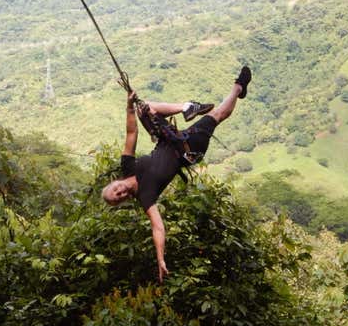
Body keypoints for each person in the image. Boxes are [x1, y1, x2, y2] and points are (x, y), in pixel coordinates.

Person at [101, 66, 251, 282]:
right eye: (118, 197)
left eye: (115, 189)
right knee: (217, 115)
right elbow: (158, 227)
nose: (120, 192)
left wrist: (129, 107)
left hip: (168, 138)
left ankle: (188, 107)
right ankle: (238, 87)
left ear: (115, 182)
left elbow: (132, 132)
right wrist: (160, 258)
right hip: (187, 150)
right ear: (122, 200)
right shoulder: (145, 197)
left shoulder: (127, 167)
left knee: (144, 108)